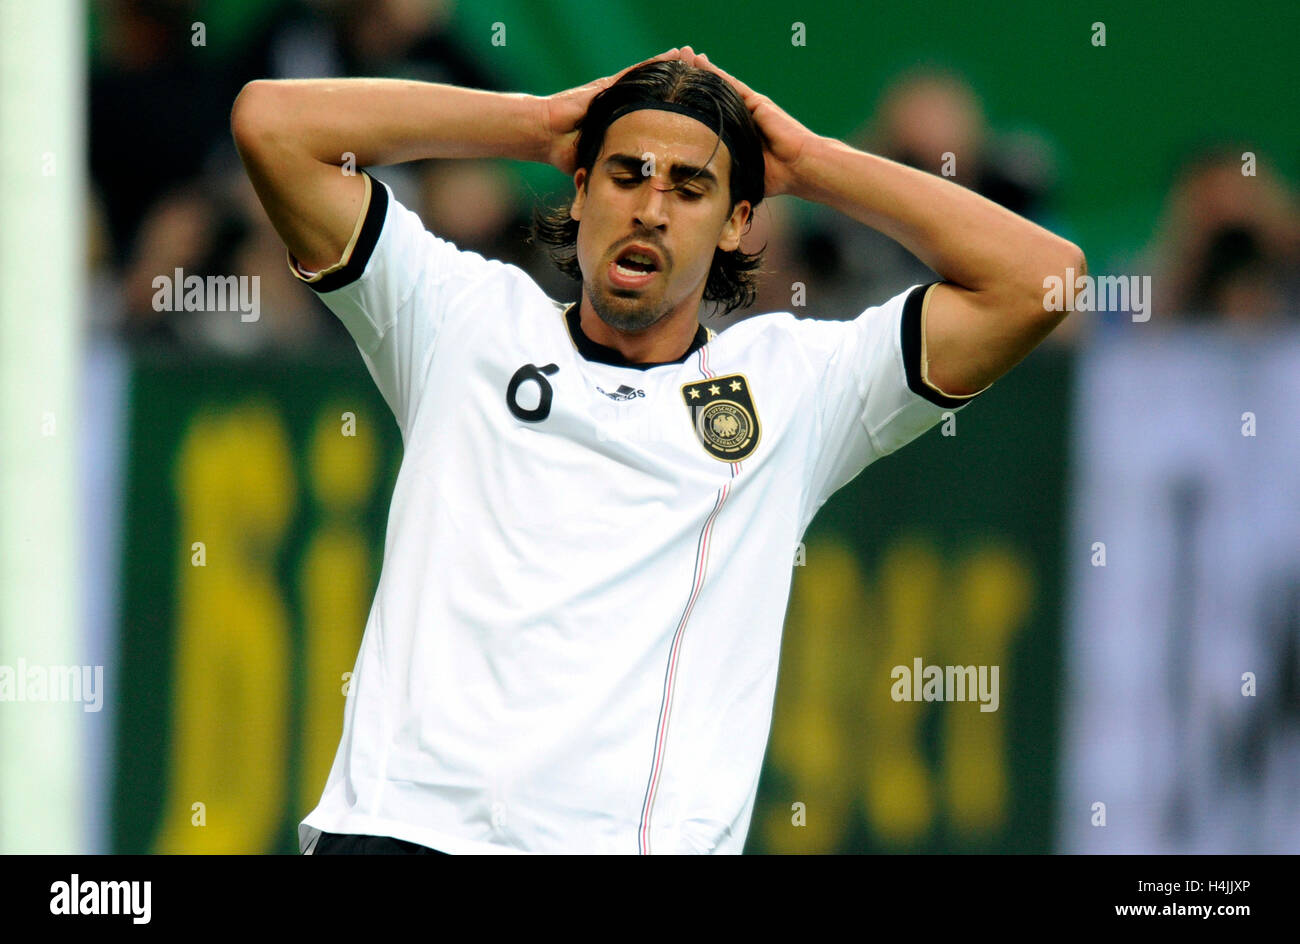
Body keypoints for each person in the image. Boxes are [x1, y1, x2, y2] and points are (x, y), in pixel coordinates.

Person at [230, 46, 1084, 854]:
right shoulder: (461, 320)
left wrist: (810, 162)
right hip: (399, 833)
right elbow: (272, 126)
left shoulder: (792, 388)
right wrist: (535, 123)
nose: (648, 206)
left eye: (690, 186)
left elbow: (1039, 277)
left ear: (737, 220)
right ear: (579, 193)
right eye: (625, 173)